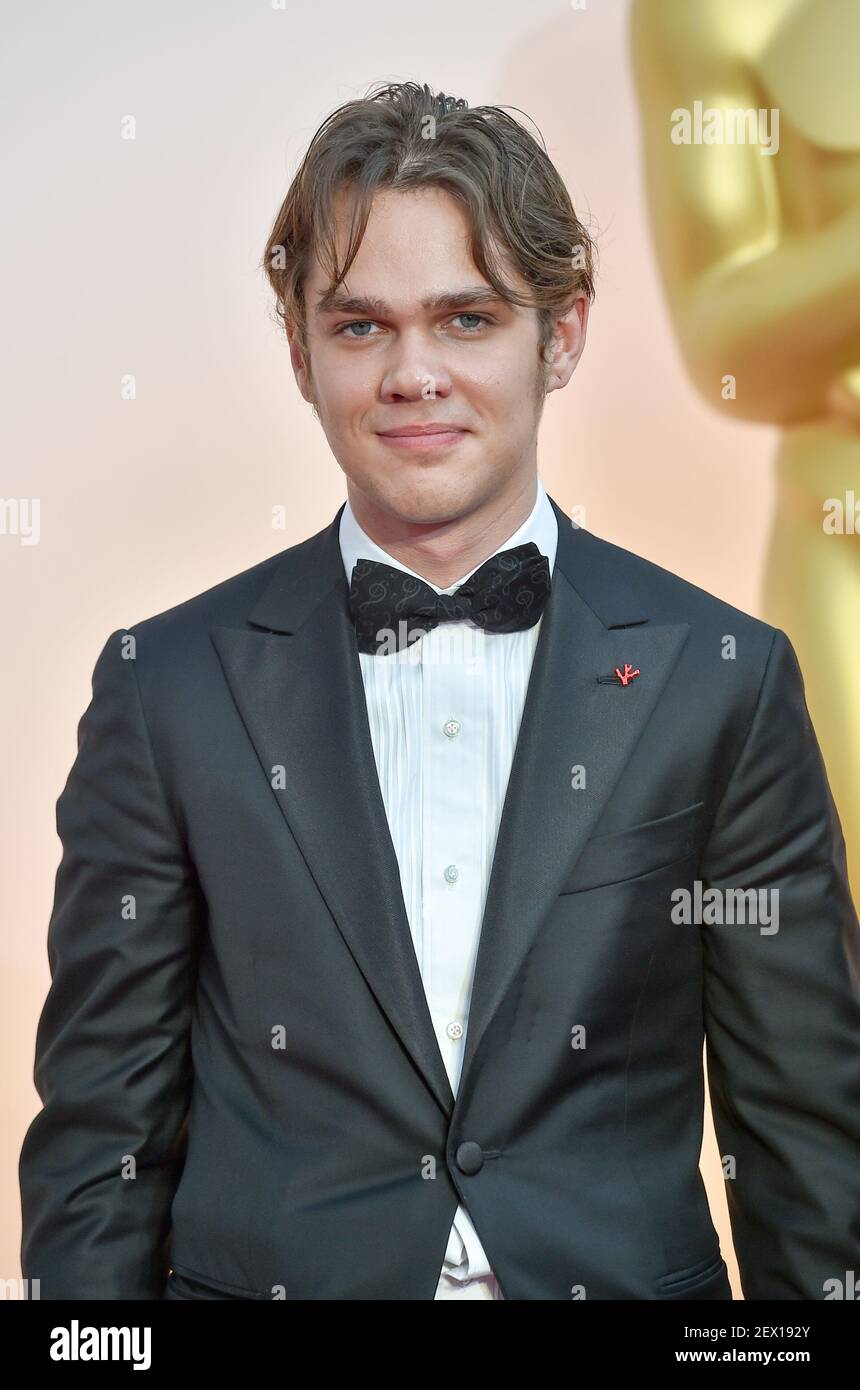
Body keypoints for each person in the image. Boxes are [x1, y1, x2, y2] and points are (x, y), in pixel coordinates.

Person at [19, 81, 860, 1300]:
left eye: (465, 319)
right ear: (300, 353)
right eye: (359, 326)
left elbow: (804, 1137)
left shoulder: (718, 678)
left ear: (560, 335)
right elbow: (103, 1139)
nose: (413, 373)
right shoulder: (168, 689)